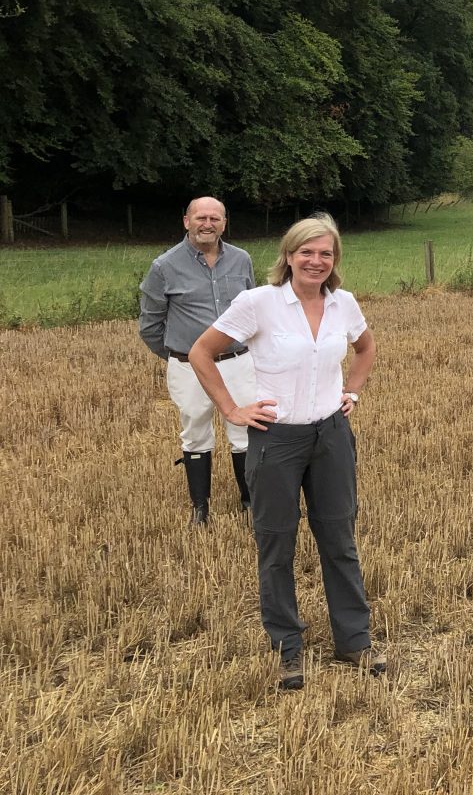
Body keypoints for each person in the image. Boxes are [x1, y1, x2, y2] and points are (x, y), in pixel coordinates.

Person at [188, 213, 381, 691]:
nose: (316, 261)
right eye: (307, 252)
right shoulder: (259, 303)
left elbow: (366, 349)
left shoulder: (344, 304)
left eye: (325, 254)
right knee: (276, 544)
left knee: (340, 540)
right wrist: (232, 409)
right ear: (289, 256)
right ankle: (286, 650)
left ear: (335, 260)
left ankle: (354, 641)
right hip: (276, 440)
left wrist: (352, 392)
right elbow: (201, 352)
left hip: (332, 437)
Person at [138, 196, 258, 526]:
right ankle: (200, 509)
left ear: (224, 223)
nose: (208, 223)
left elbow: (254, 310)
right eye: (201, 217)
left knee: (245, 428)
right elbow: (150, 325)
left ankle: (249, 502)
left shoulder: (241, 260)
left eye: (215, 218)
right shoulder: (164, 266)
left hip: (236, 361)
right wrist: (180, 358)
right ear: (186, 221)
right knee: (195, 430)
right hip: (189, 368)